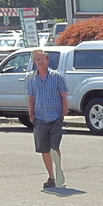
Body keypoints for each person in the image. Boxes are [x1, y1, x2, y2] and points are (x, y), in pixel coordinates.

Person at [26, 49, 69, 189]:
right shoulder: (32, 78)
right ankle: (51, 176)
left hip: (55, 117)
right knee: (44, 148)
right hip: (40, 118)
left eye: (42, 59)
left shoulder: (57, 77)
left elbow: (64, 96)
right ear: (35, 62)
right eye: (37, 60)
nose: (40, 61)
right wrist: (31, 114)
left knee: (54, 147)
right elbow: (31, 97)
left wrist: (63, 113)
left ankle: (58, 171)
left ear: (47, 60)